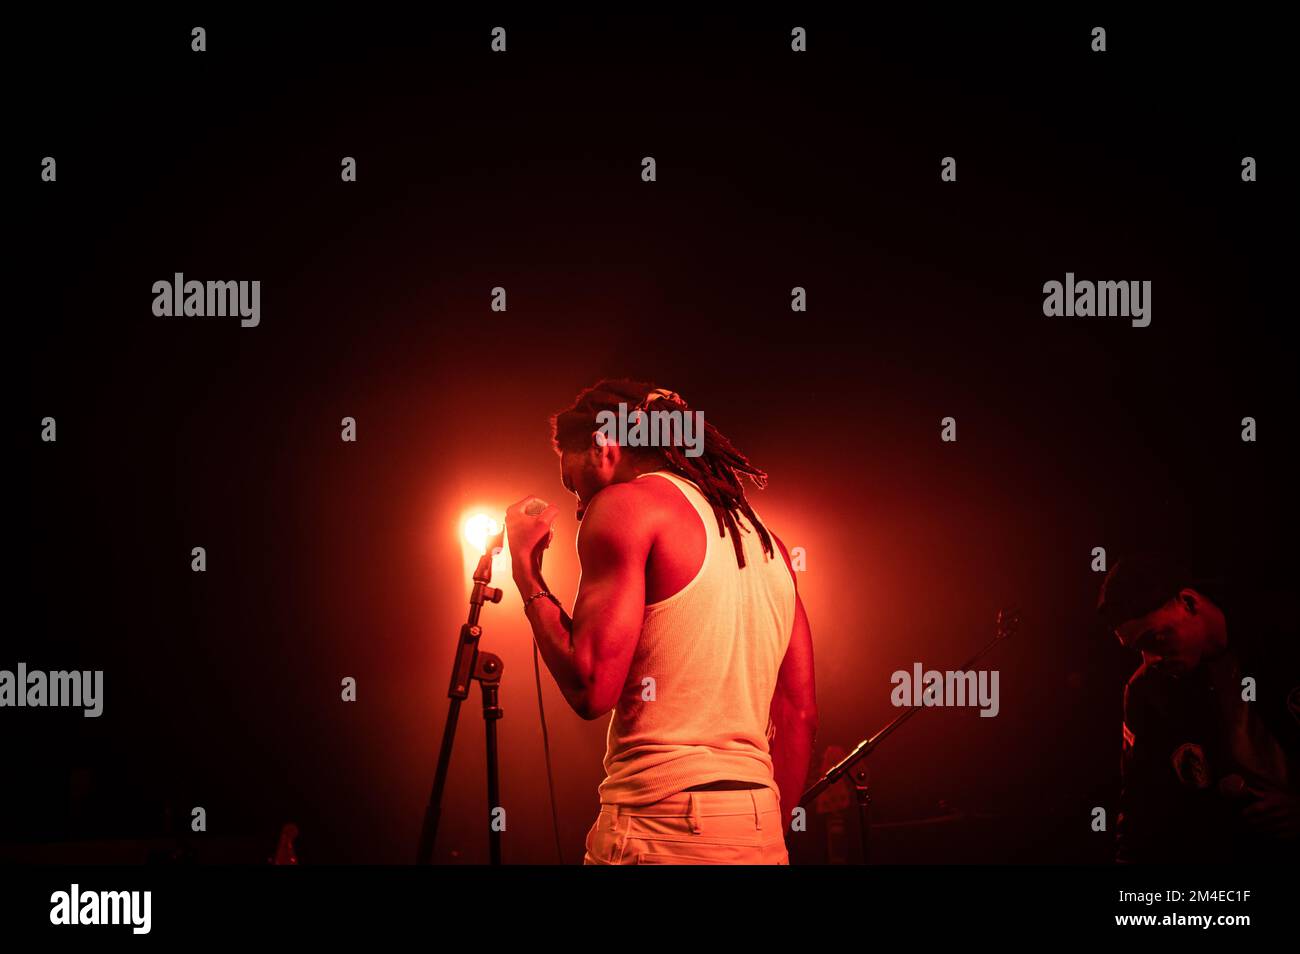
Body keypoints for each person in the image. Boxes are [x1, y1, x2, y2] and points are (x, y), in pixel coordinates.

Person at [505, 379, 817, 864]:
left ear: (602, 446)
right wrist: (763, 832)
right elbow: (799, 713)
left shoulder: (626, 507)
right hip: (758, 834)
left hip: (658, 830)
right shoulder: (767, 543)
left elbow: (592, 688)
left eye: (572, 483)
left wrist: (526, 571)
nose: (580, 504)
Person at [1097, 552, 1300, 862]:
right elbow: (1140, 804)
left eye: (1155, 638)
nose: (1151, 659)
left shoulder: (1285, 638)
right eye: (1138, 648)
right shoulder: (1147, 691)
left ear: (1189, 602)